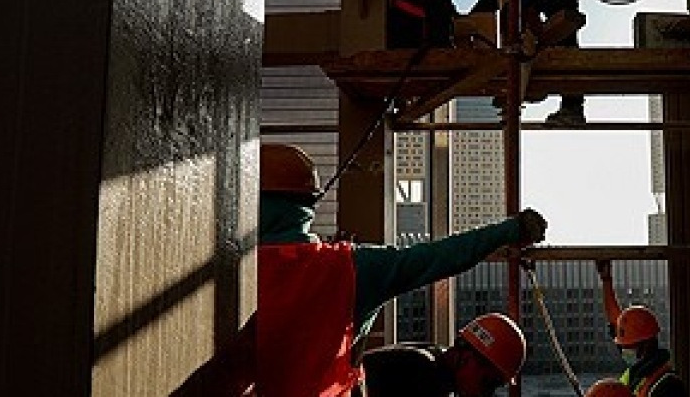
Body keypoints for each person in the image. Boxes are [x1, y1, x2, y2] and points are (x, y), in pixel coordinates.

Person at [179, 143, 548, 397]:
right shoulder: (346, 269)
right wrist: (511, 230)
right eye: (488, 385)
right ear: (308, 202)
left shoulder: (203, 266)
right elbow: (437, 258)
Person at [359, 312, 527, 397]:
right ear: (467, 359)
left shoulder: (432, 362)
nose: (484, 395)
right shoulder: (422, 372)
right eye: (488, 383)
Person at [596, 260, 687, 397]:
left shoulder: (667, 385)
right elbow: (616, 322)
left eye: (628, 347)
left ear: (646, 344)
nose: (624, 351)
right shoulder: (637, 373)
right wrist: (606, 280)